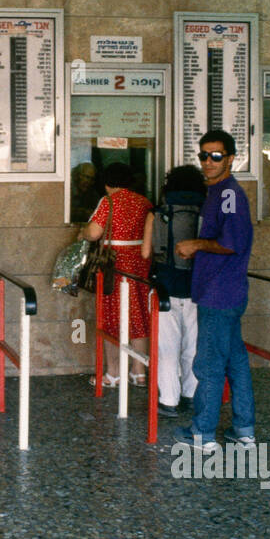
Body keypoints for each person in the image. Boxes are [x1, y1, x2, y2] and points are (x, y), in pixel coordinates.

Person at [174, 129, 255, 454]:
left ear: (231, 158)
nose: (208, 162)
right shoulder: (216, 193)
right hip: (223, 291)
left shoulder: (230, 195)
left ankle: (202, 434)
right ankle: (244, 430)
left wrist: (195, 245)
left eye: (216, 156)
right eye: (204, 156)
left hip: (220, 294)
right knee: (235, 360)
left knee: (208, 363)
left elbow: (231, 243)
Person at [80, 161, 153, 388]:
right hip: (141, 264)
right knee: (140, 316)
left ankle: (113, 374)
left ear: (107, 183)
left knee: (112, 318)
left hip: (116, 266)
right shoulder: (144, 202)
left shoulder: (109, 201)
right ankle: (139, 372)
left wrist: (81, 232)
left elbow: (94, 233)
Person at [143, 164, 207, 418]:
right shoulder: (206, 211)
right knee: (193, 344)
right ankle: (190, 395)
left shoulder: (157, 213)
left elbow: (146, 252)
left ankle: (168, 400)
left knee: (167, 346)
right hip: (197, 286)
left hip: (165, 285)